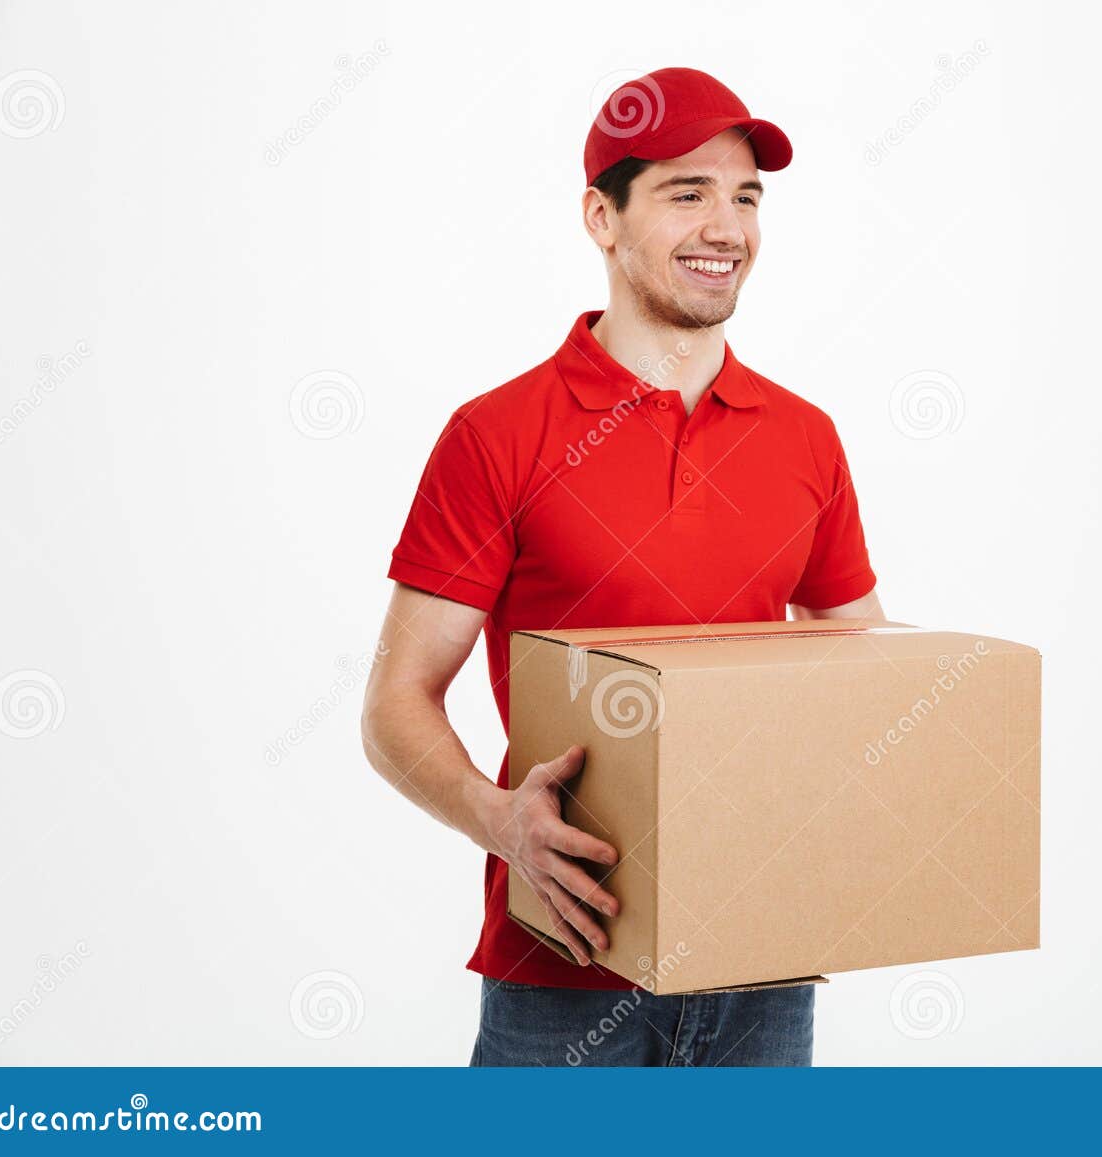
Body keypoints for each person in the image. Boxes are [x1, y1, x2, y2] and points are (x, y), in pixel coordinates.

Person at [360, 67, 882, 1066]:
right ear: (602, 217)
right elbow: (395, 702)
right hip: (563, 969)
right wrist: (498, 820)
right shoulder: (495, 436)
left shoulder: (806, 438)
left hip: (763, 969)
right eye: (687, 193)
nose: (724, 227)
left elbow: (861, 670)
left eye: (745, 196)